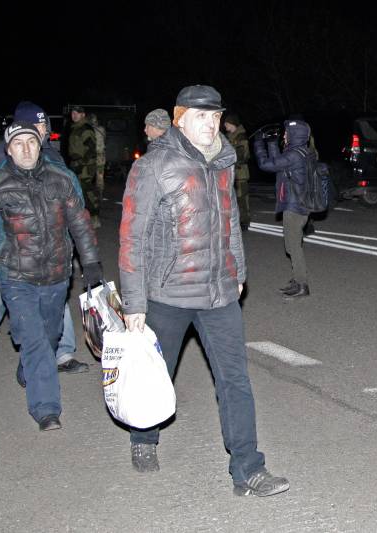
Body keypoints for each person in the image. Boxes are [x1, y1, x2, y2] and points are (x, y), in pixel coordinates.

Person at [119, 84, 289, 497]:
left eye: (215, 116)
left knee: (235, 380)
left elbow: (229, 222)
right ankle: (144, 438)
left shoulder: (224, 162)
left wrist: (238, 271)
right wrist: (135, 301)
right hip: (168, 294)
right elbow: (132, 237)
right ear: (180, 119)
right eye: (201, 116)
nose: (211, 124)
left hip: (219, 293)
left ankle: (247, 470)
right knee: (155, 376)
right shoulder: (154, 166)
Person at [0, 122, 102, 431]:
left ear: (41, 146)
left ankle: (29, 370)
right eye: (18, 143)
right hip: (16, 276)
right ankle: (46, 408)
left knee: (49, 336)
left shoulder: (62, 179)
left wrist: (91, 263)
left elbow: (80, 224)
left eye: (31, 142)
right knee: (35, 339)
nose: (26, 148)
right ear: (8, 149)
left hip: (57, 274)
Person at [0, 101, 88, 373]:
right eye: (37, 125)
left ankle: (62, 353)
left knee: (57, 298)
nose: (42, 130)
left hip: (50, 246)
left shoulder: (53, 157)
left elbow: (74, 200)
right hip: (7, 246)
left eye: (44, 126)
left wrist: (76, 241)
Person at [252, 118, 313, 300]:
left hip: (294, 207)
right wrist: (271, 143)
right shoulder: (301, 152)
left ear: (295, 135)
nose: (284, 135)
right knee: (292, 245)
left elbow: (266, 165)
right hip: (299, 204)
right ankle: (297, 280)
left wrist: (258, 143)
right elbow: (279, 163)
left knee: (293, 247)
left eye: (287, 132)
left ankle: (302, 285)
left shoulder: (294, 155)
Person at [68, 106, 100, 228]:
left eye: (77, 113)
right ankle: (82, 217)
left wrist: (81, 164)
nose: (74, 115)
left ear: (83, 115)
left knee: (88, 191)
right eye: (73, 113)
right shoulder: (75, 128)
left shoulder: (85, 129)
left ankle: (94, 218)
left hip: (85, 166)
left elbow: (91, 150)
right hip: (76, 164)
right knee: (77, 191)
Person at [223, 113, 250, 231]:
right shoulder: (228, 137)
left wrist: (230, 158)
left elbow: (242, 155)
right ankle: (234, 220)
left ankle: (244, 221)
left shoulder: (241, 137)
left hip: (240, 173)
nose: (225, 127)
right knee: (230, 199)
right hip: (229, 172)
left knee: (242, 199)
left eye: (227, 124)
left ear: (233, 124)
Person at [88, 113, 105, 228]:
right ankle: (99, 194)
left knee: (92, 182)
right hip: (101, 158)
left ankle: (95, 200)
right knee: (99, 180)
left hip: (94, 158)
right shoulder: (101, 129)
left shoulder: (90, 130)